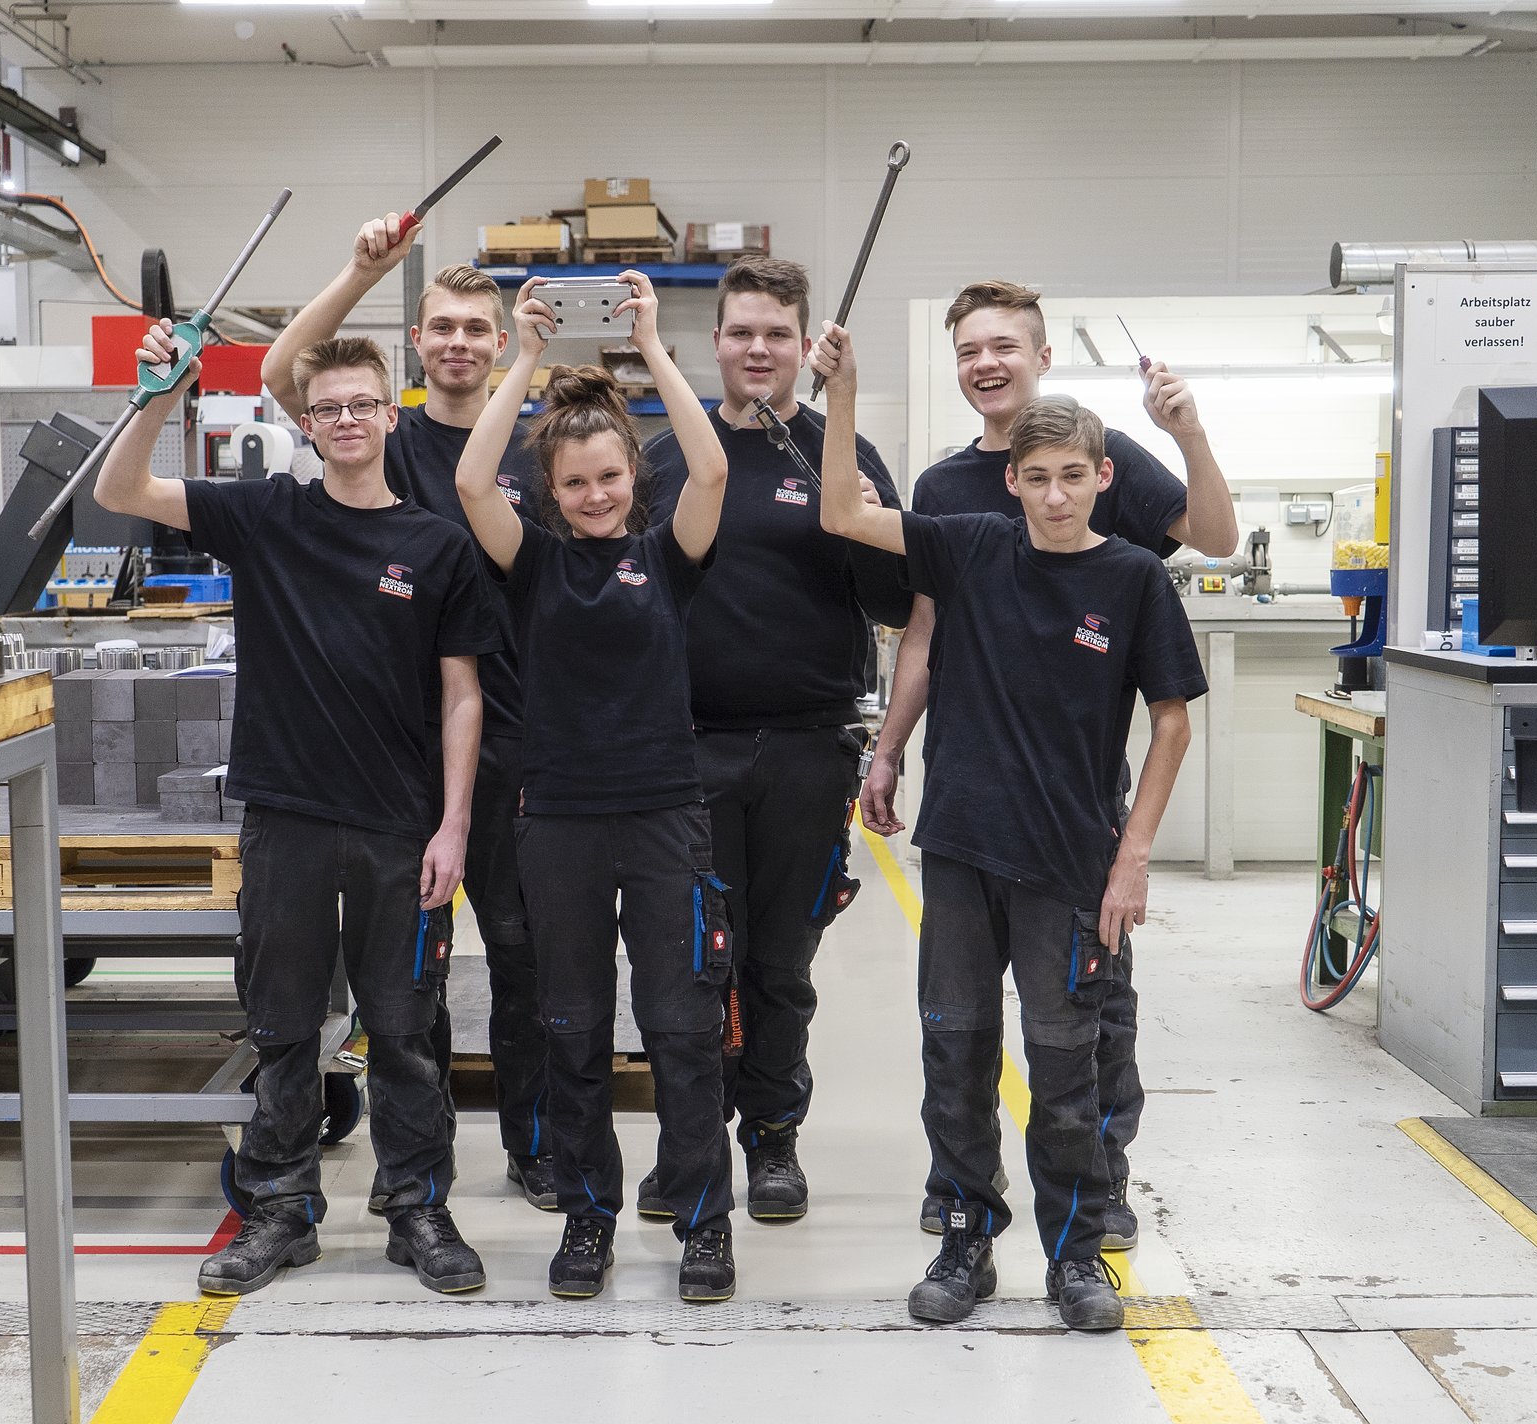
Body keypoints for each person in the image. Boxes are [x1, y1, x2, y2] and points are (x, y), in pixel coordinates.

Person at [812, 320, 1205, 1331]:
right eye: (1035, 475)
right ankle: (964, 1239)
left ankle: (1075, 1255)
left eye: (1072, 474)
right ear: (1014, 482)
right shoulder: (970, 545)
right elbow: (842, 510)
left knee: (1063, 1063)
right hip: (960, 851)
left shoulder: (1130, 580)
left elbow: (1169, 726)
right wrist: (844, 393)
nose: (1054, 494)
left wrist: (1131, 859)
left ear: (1101, 475)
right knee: (954, 1051)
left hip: (1069, 863)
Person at [97, 329, 506, 1298]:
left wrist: (453, 825)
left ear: (389, 412)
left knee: (404, 1027)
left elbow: (462, 696)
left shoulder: (435, 543)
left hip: (399, 824)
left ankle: (416, 1207)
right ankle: (279, 1206)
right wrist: (158, 390)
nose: (348, 421)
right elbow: (121, 490)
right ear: (306, 422)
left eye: (364, 403)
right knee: (281, 1024)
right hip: (284, 817)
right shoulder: (264, 515)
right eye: (328, 408)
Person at [260, 220, 557, 1211]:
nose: (461, 343)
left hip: (510, 738)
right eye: (442, 328)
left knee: (517, 953)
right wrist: (361, 271)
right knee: (406, 981)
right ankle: (414, 1170)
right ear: (416, 346)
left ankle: (531, 1143)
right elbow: (278, 370)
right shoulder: (384, 428)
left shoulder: (537, 440)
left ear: (500, 342)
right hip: (391, 756)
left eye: (479, 327)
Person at [454, 271, 736, 1303]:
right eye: (574, 483)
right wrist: (518, 356)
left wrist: (656, 348)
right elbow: (472, 484)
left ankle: (705, 1223)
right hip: (558, 823)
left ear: (629, 474)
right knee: (571, 1026)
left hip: (665, 816)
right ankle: (586, 1215)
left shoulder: (667, 558)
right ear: (552, 491)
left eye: (608, 476)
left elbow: (707, 471)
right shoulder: (529, 563)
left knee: (678, 1027)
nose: (594, 494)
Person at [641, 257, 910, 1221]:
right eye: (742, 332)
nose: (759, 350)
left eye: (778, 335)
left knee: (780, 966)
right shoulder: (668, 454)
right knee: (696, 963)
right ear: (715, 341)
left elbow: (891, 598)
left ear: (806, 346)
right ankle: (693, 1150)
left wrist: (843, 449)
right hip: (689, 752)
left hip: (806, 752)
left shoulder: (844, 449)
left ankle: (774, 1143)